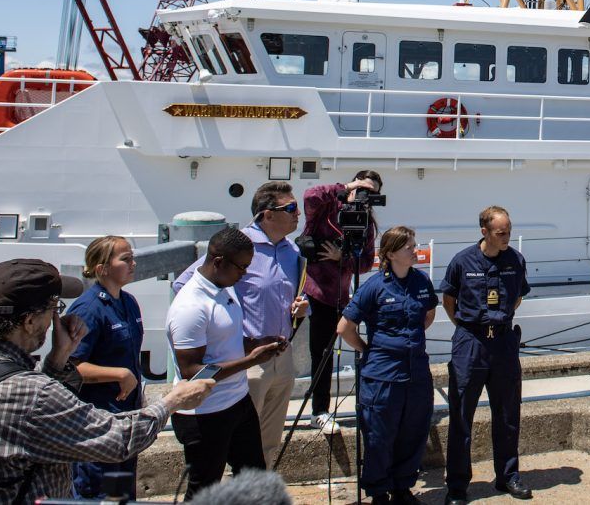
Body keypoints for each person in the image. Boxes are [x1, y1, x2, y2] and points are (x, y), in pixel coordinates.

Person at [0, 258, 213, 503]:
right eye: (53, 309)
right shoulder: (31, 393)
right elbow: (118, 440)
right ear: (30, 321)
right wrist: (172, 402)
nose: (56, 319)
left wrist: (58, 359)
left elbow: (23, 421)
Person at [174, 182, 308, 467]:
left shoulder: (291, 250)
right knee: (238, 444)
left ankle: (260, 488)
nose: (299, 214)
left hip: (282, 356)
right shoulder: (239, 246)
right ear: (267, 214)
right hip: (248, 360)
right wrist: (227, 334)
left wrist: (300, 306)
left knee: (269, 440)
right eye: (291, 208)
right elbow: (185, 284)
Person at [167, 227, 290, 497]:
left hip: (237, 402)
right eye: (241, 267)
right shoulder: (191, 307)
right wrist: (250, 361)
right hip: (205, 414)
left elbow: (226, 342)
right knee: (204, 490)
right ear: (219, 262)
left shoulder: (225, 289)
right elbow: (192, 373)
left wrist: (257, 343)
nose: (244, 274)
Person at [339, 226, 438, 505]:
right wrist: (367, 350)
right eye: (409, 247)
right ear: (391, 253)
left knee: (413, 432)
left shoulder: (421, 281)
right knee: (379, 437)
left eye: (415, 245)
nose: (416, 250)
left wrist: (409, 340)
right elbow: (344, 327)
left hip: (416, 373)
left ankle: (402, 488)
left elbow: (428, 313)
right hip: (383, 376)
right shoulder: (374, 286)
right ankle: (379, 492)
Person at [441, 206, 533, 503]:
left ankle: (507, 476)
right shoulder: (462, 261)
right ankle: (457, 486)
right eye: (501, 233)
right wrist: (470, 327)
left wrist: (498, 321)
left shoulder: (516, 260)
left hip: (503, 342)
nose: (507, 237)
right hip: (471, 342)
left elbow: (517, 297)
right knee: (461, 416)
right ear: (485, 232)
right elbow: (448, 300)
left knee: (507, 413)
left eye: (509, 231)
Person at [301, 170, 381, 434]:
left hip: (337, 294)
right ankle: (313, 410)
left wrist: (341, 257)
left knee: (326, 353)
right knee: (308, 352)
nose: (365, 196)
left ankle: (322, 411)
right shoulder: (327, 208)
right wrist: (345, 187)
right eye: (363, 189)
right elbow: (309, 196)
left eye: (372, 193)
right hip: (309, 290)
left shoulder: (366, 224)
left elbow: (366, 263)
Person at [67, 235, 144, 499]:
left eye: (132, 257)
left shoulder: (128, 302)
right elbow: (70, 367)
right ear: (102, 268)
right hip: (99, 423)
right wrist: (119, 374)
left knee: (123, 494)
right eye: (125, 259)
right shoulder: (88, 308)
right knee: (99, 495)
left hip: (126, 420)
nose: (133, 263)